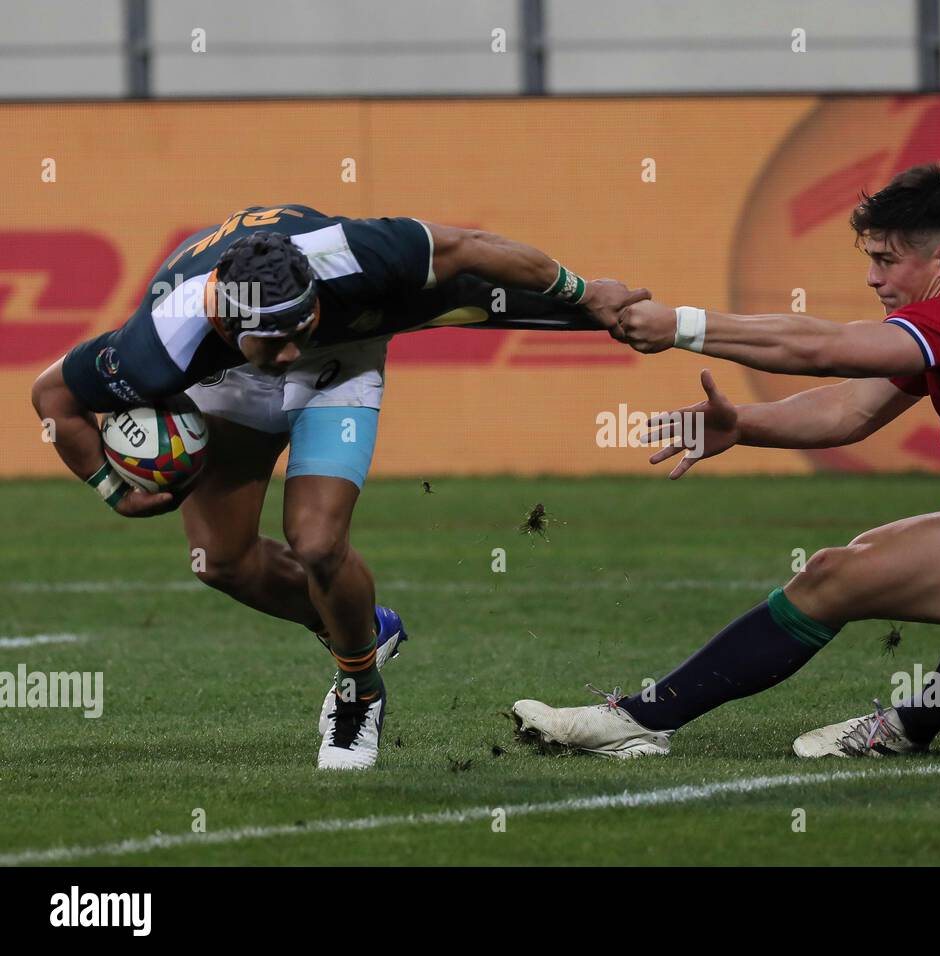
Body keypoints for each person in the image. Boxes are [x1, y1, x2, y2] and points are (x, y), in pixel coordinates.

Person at [511, 164, 940, 759]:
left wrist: (684, 328)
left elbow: (824, 348)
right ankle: (635, 722)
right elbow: (849, 413)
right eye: (869, 258)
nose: (872, 277)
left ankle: (900, 731)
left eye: (886, 261)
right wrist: (741, 425)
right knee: (836, 573)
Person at [31, 204, 647, 769]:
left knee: (318, 542)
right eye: (278, 339)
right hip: (227, 381)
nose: (292, 346)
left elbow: (470, 249)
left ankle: (358, 690)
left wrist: (583, 292)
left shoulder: (353, 255)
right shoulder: (158, 343)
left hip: (340, 361)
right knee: (220, 562)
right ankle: (364, 630)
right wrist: (112, 489)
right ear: (224, 321)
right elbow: (52, 395)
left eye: (303, 323)